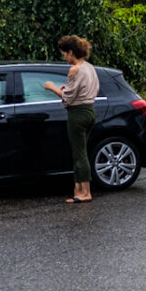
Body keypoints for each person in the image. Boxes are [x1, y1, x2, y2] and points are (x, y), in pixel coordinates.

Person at [43, 35, 100, 203]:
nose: (64, 56)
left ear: (70, 52)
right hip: (90, 110)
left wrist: (52, 88)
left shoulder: (74, 70)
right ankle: (78, 190)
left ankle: (84, 193)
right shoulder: (89, 67)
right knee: (82, 151)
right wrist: (68, 89)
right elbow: (91, 89)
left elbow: (67, 98)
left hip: (77, 114)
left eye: (64, 53)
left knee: (79, 153)